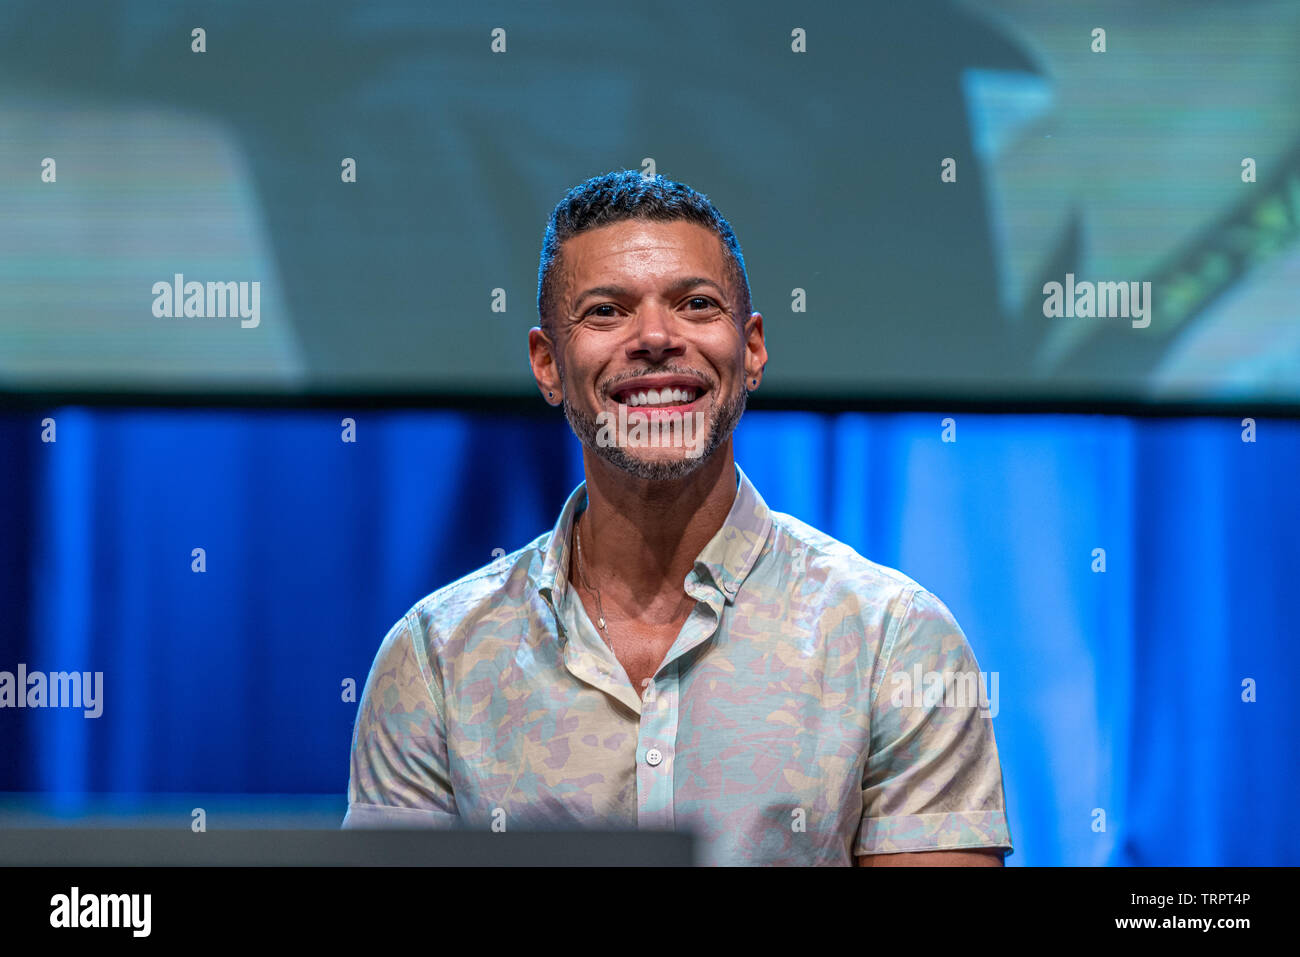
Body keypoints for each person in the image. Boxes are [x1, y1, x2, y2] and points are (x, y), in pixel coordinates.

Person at [344, 170, 1014, 866]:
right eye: (606, 311)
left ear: (751, 349)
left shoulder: (896, 642)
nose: (656, 337)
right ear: (548, 364)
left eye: (695, 304)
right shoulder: (434, 660)